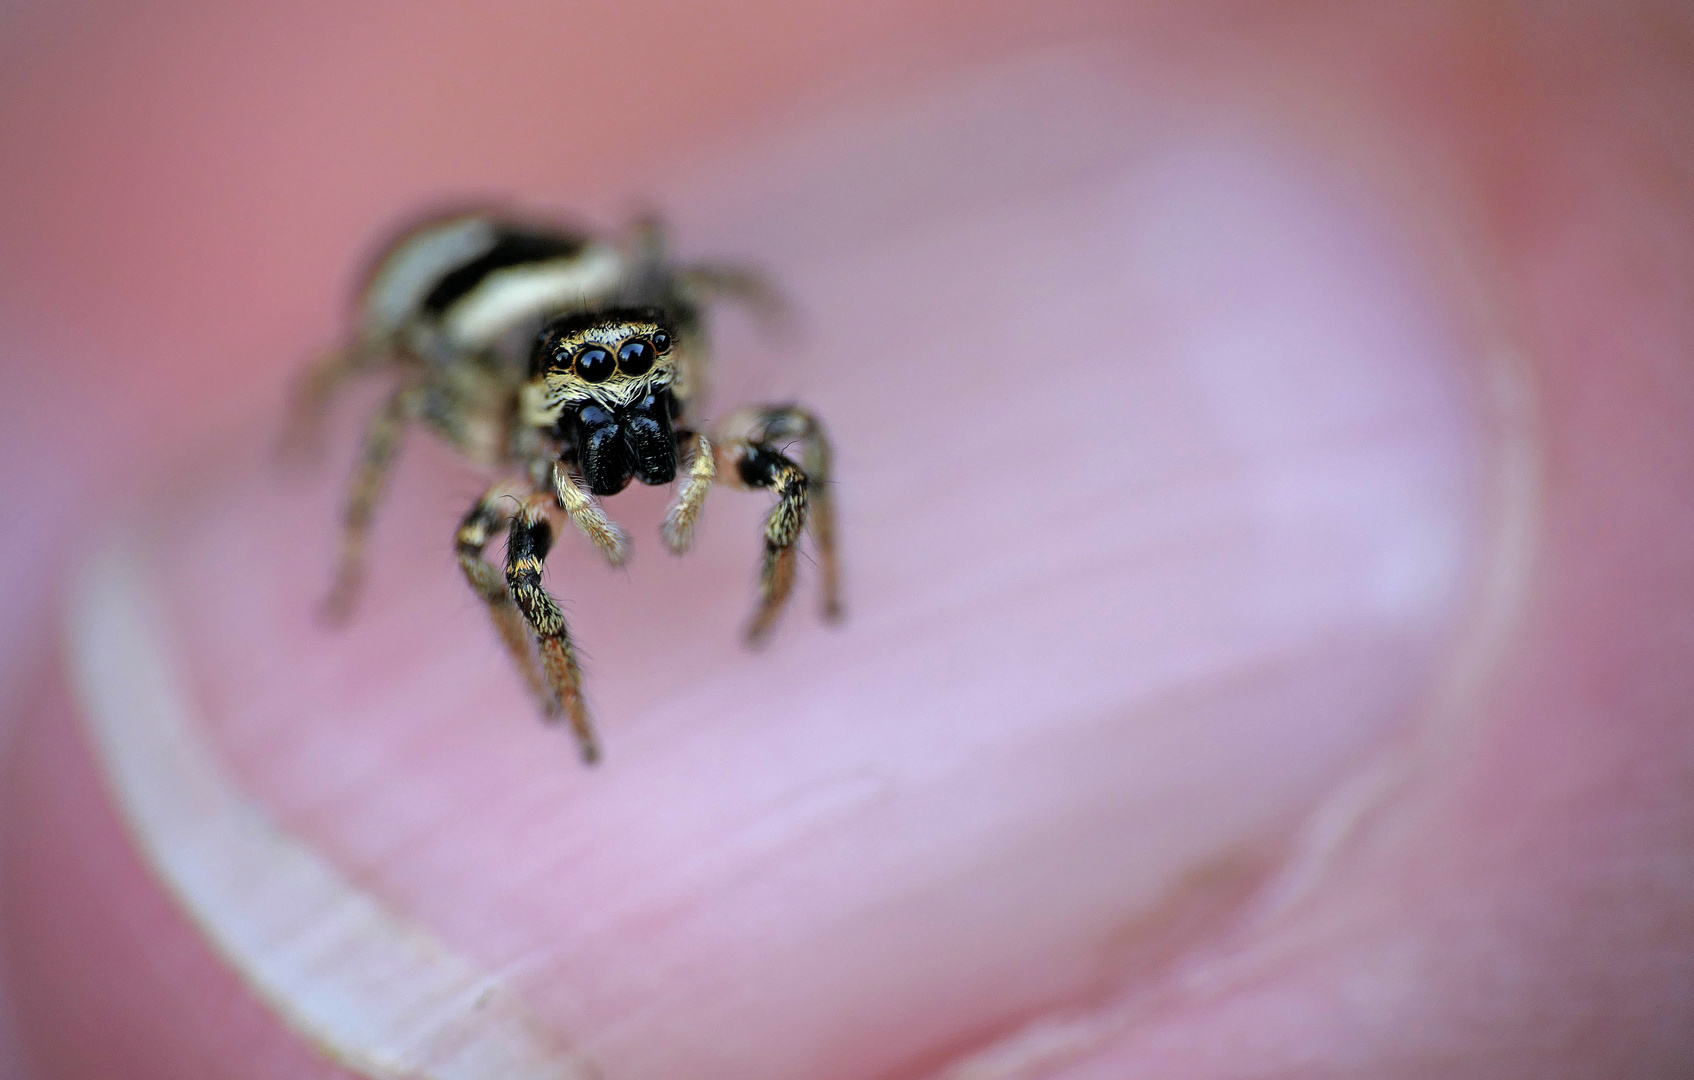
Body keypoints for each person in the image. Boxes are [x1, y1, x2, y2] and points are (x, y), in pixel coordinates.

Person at [0, 3, 1689, 1077]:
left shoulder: (680, 381)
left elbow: (752, 388)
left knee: (777, 445)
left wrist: (799, 575)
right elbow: (405, 421)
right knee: (447, 483)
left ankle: (768, 617)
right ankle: (572, 692)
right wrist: (419, 563)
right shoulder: (476, 411)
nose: (643, 468)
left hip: (569, 283)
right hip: (445, 283)